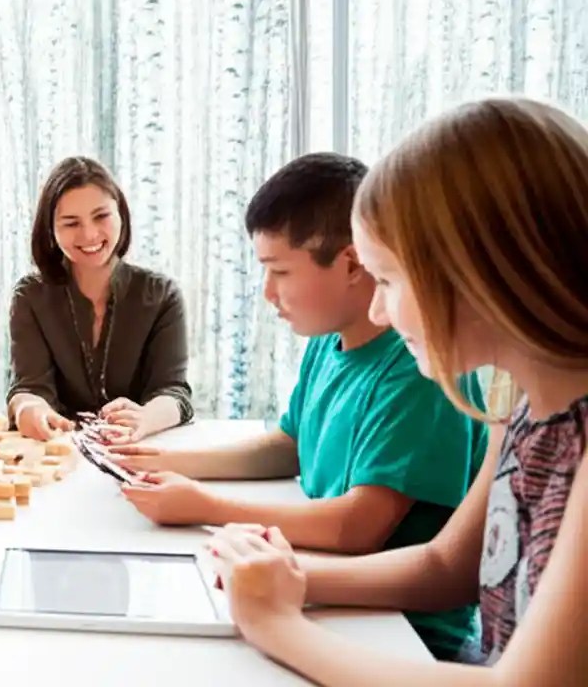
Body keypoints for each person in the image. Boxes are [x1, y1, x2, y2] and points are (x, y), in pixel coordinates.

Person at [207, 98, 588, 680]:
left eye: (387, 279)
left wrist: (278, 626)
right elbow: (446, 567)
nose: (379, 309)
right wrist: (288, 578)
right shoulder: (520, 409)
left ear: (479, 272)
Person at [115, 153, 487, 659]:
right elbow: (290, 445)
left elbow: (359, 526)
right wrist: (166, 464)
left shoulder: (416, 371)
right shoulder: (329, 340)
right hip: (332, 592)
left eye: (280, 271)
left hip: (405, 632)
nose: (268, 293)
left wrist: (205, 507)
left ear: (353, 264)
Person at [7, 156, 193, 443]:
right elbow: (29, 387)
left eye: (101, 216)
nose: (90, 234)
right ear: (51, 231)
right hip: (59, 452)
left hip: (141, 452)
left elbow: (173, 392)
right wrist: (28, 409)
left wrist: (145, 418)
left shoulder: (161, 295)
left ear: (121, 214)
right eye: (71, 223)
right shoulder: (31, 296)